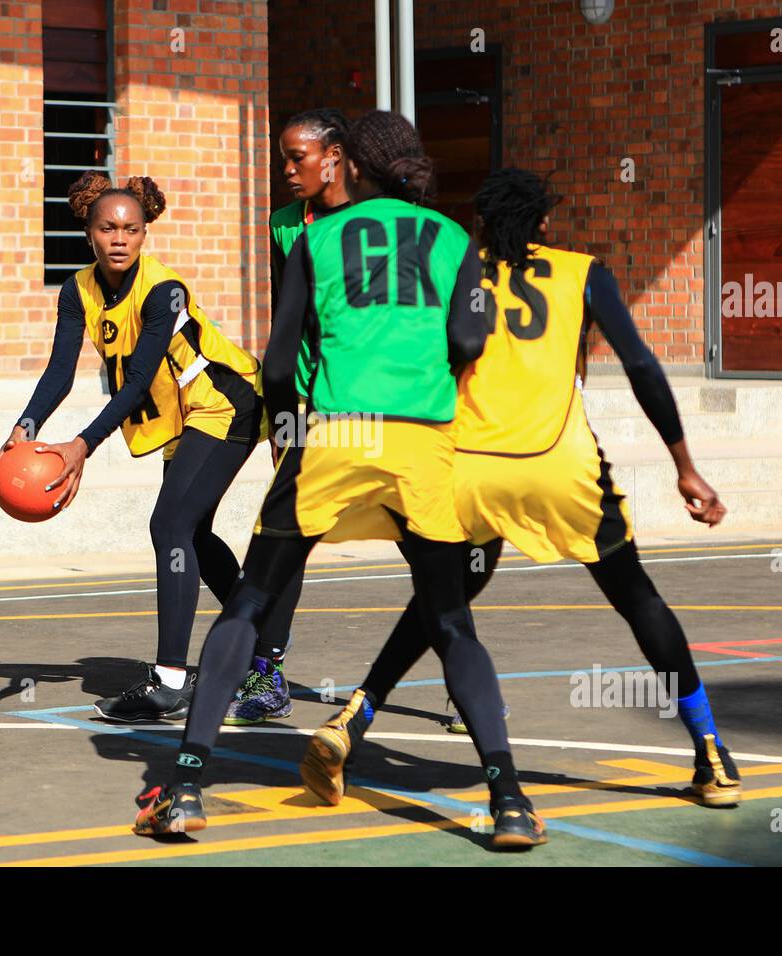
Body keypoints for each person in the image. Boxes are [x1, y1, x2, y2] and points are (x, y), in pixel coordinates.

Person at [133, 111, 548, 849]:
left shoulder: (316, 239)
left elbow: (279, 363)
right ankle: (509, 800)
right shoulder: (453, 239)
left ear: (351, 166)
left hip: (335, 433)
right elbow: (468, 338)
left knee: (248, 603)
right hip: (422, 439)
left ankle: (187, 786)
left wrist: (292, 433)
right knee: (451, 619)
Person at [300, 167, 742, 811]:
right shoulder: (581, 272)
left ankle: (353, 718)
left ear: (479, 223)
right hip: (556, 466)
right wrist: (685, 464)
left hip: (465, 467)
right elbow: (642, 365)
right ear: (543, 222)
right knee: (636, 598)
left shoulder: (455, 265)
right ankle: (711, 753)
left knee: (444, 604)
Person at [0, 171, 297, 723]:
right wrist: (25, 427)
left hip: (227, 402)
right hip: (183, 418)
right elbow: (59, 372)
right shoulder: (77, 290)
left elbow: (135, 384)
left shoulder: (162, 289)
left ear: (144, 233)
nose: (119, 239)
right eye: (108, 228)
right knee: (190, 533)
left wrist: (83, 445)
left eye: (131, 229)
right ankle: (262, 646)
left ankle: (171, 681)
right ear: (89, 233)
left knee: (170, 526)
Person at [224, 108, 355, 726]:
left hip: (372, 404)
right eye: (282, 157)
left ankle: (465, 680)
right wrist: (283, 419)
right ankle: (268, 672)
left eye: (296, 157)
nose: (286, 169)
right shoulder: (284, 225)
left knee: (423, 544)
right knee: (286, 537)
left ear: (334, 157)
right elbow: (287, 321)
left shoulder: (374, 223)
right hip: (305, 402)